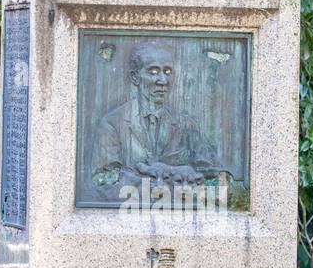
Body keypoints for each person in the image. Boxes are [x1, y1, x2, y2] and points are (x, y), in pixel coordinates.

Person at [91, 38, 226, 200]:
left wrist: (158, 175)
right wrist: (172, 178)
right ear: (135, 77)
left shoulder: (186, 125)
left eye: (167, 72)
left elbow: (215, 179)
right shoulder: (111, 124)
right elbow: (104, 182)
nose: (163, 81)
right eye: (153, 72)